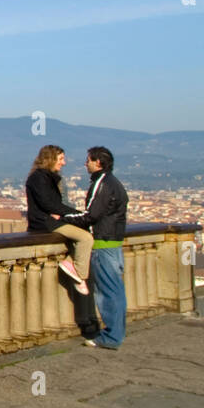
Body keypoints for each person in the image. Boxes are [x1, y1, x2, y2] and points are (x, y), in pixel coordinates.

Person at [61, 146, 128, 349]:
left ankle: (111, 337)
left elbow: (91, 215)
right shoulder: (114, 182)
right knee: (115, 291)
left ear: (98, 162)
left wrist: (64, 219)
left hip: (103, 242)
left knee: (107, 292)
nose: (85, 163)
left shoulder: (103, 184)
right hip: (113, 242)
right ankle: (115, 333)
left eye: (88, 160)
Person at [25, 145, 93, 295]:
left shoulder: (44, 177)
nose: (64, 163)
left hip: (49, 221)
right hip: (45, 223)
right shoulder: (39, 178)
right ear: (50, 159)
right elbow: (49, 204)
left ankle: (70, 263)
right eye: (61, 158)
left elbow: (53, 204)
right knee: (86, 238)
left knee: (84, 231)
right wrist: (77, 214)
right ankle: (81, 276)